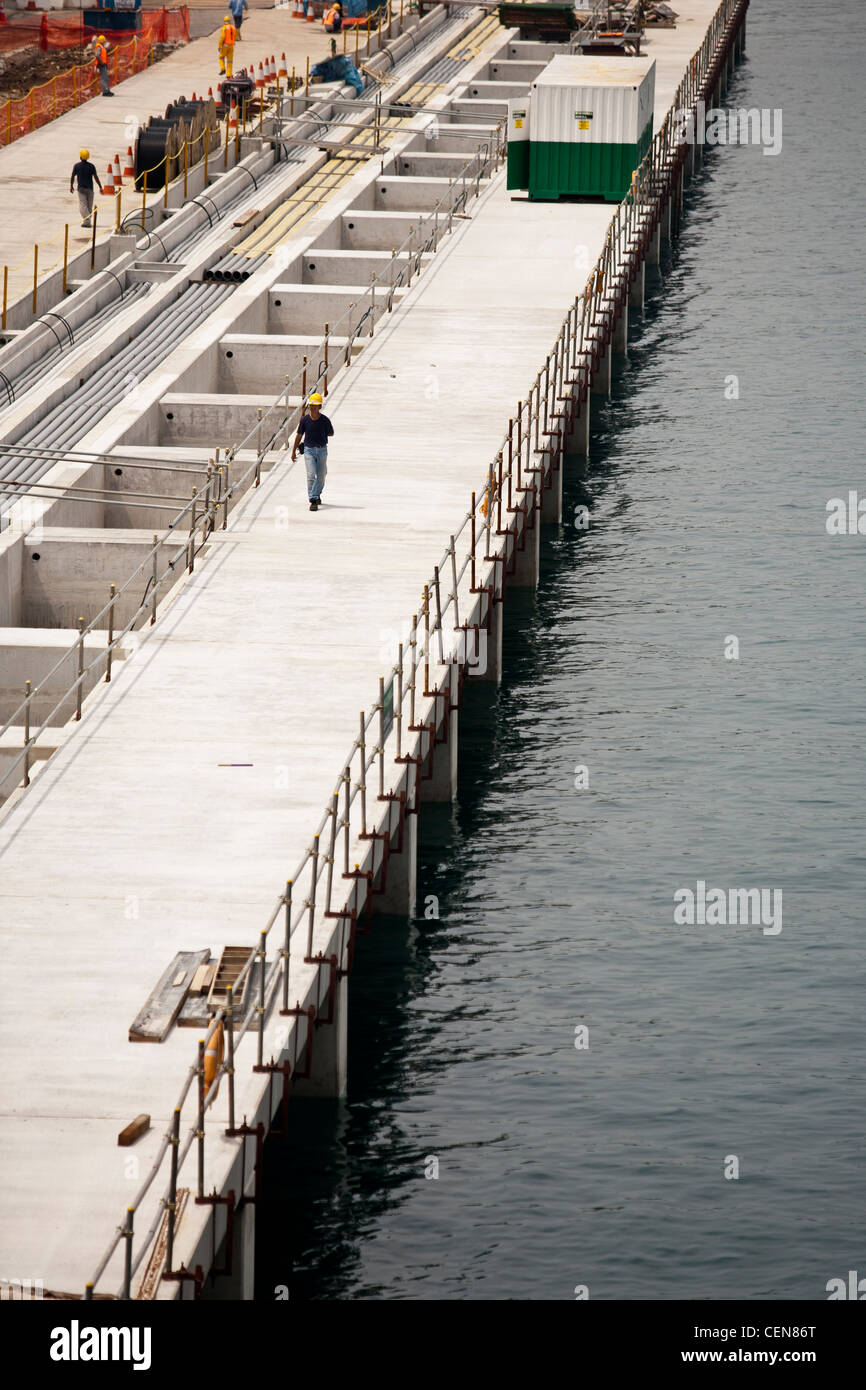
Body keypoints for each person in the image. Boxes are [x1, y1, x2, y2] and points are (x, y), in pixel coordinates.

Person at [291, 393, 334, 511]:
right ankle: (313, 499)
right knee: (310, 475)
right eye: (311, 405)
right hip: (309, 450)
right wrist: (293, 451)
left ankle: (317, 493)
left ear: (320, 406)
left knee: (321, 476)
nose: (313, 408)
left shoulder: (325, 420)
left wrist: (319, 434)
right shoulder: (305, 420)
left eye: (315, 406)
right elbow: (299, 436)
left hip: (322, 450)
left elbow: (331, 433)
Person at [70, 148, 103, 228]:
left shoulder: (77, 166)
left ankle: (87, 221)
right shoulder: (91, 166)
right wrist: (100, 187)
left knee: (83, 206)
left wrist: (71, 186)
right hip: (90, 189)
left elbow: (72, 176)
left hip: (81, 189)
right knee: (89, 206)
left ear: (80, 157)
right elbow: (96, 177)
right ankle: (87, 221)